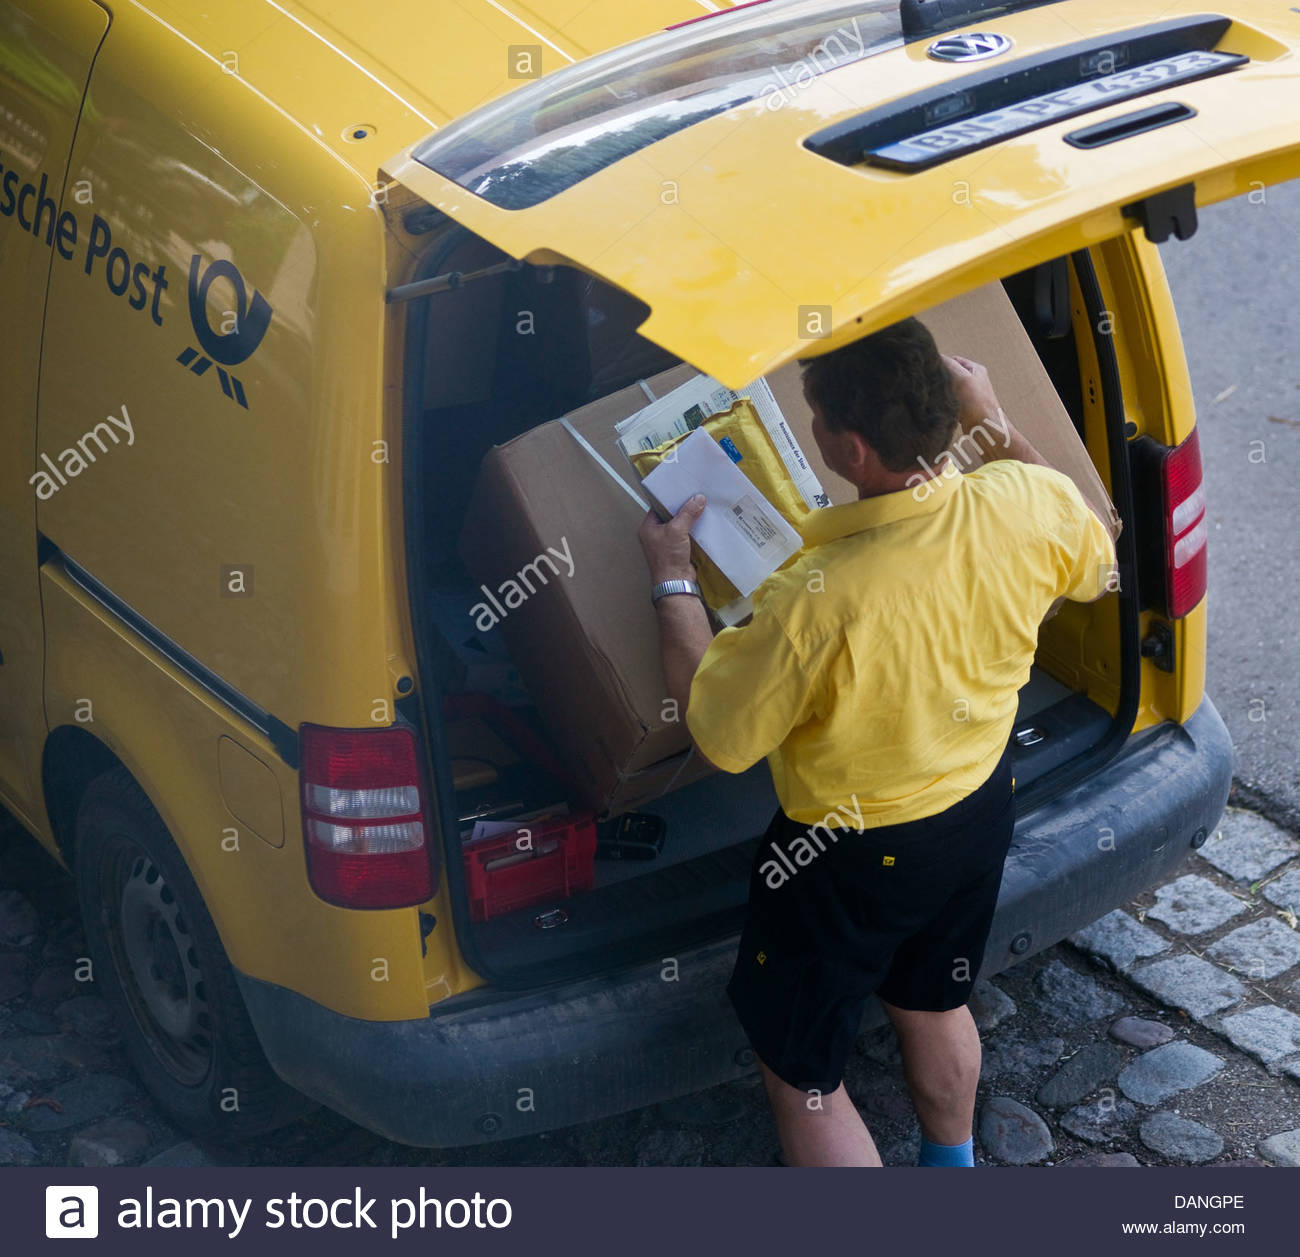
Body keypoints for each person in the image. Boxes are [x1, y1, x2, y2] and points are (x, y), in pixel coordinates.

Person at [636, 317, 1116, 1168]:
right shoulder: (1022, 501)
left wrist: (672, 575)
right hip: (976, 811)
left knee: (804, 1075)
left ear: (849, 451)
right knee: (933, 1000)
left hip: (847, 858)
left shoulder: (815, 598)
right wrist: (996, 423)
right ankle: (950, 1170)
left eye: (815, 416)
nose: (810, 426)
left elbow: (718, 735)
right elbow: (1097, 546)